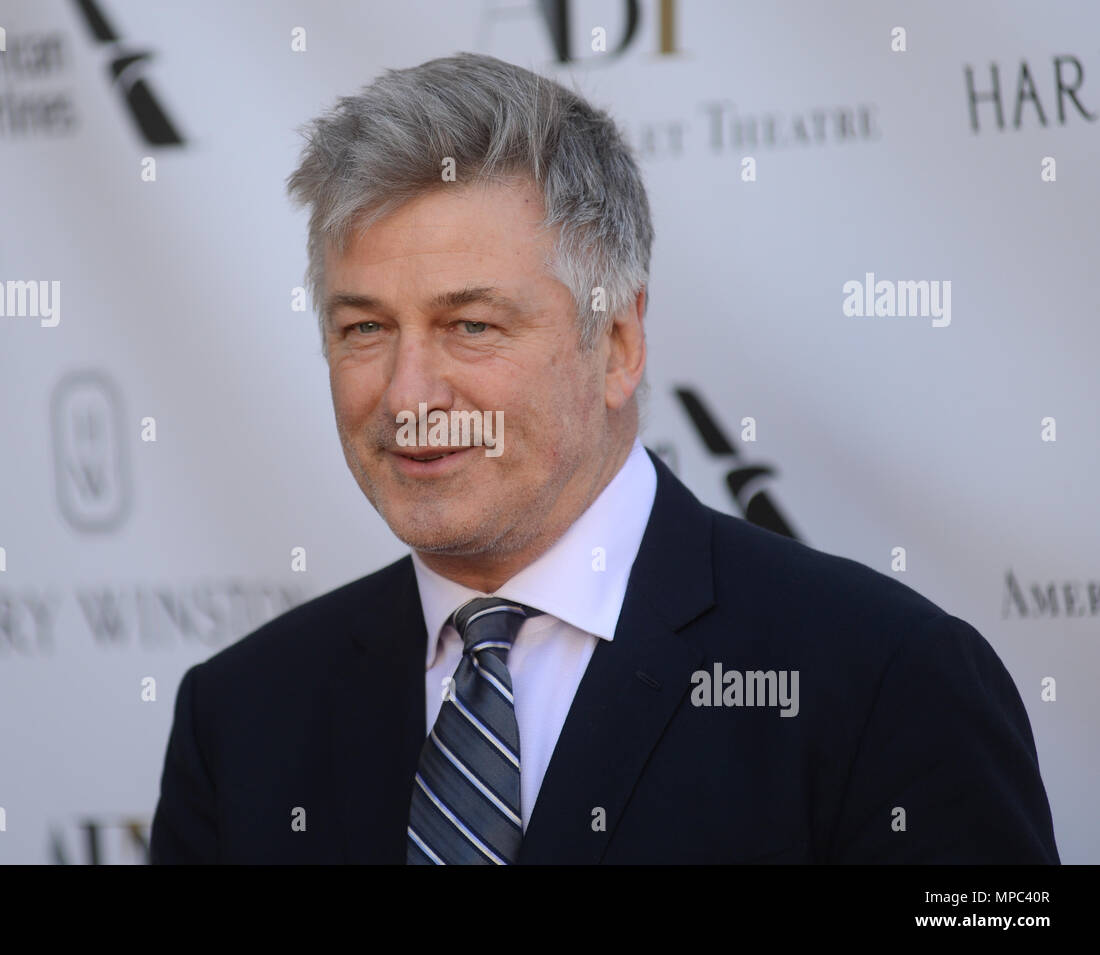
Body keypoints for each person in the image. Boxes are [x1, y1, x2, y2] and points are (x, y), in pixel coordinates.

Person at [149, 52, 1058, 864]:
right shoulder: (241, 719)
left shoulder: (882, 682)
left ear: (618, 344)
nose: (408, 395)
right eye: (364, 328)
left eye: (471, 325)